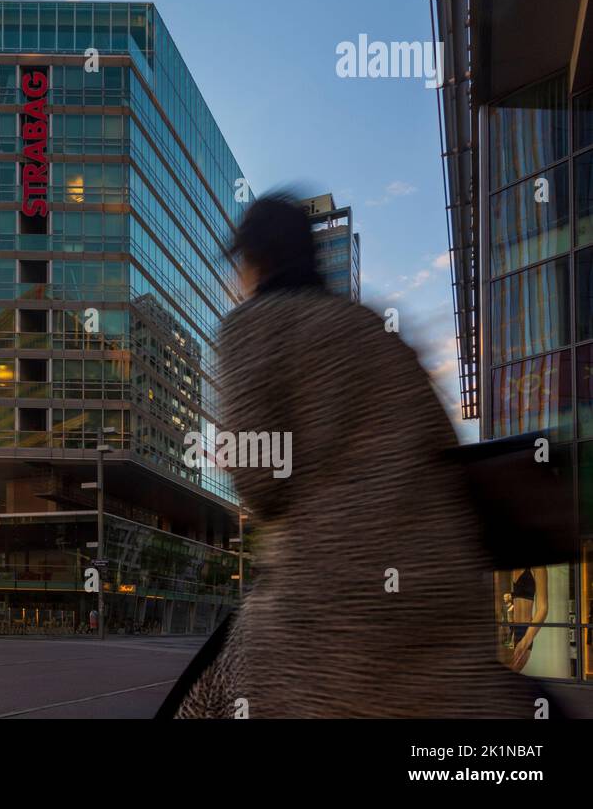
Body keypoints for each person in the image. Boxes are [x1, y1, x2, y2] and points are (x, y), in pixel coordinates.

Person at [169, 193, 536, 718]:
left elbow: (262, 478)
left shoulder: (254, 326)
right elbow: (446, 449)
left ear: (255, 262)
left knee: (204, 701)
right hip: (443, 592)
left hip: (332, 605)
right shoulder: (375, 329)